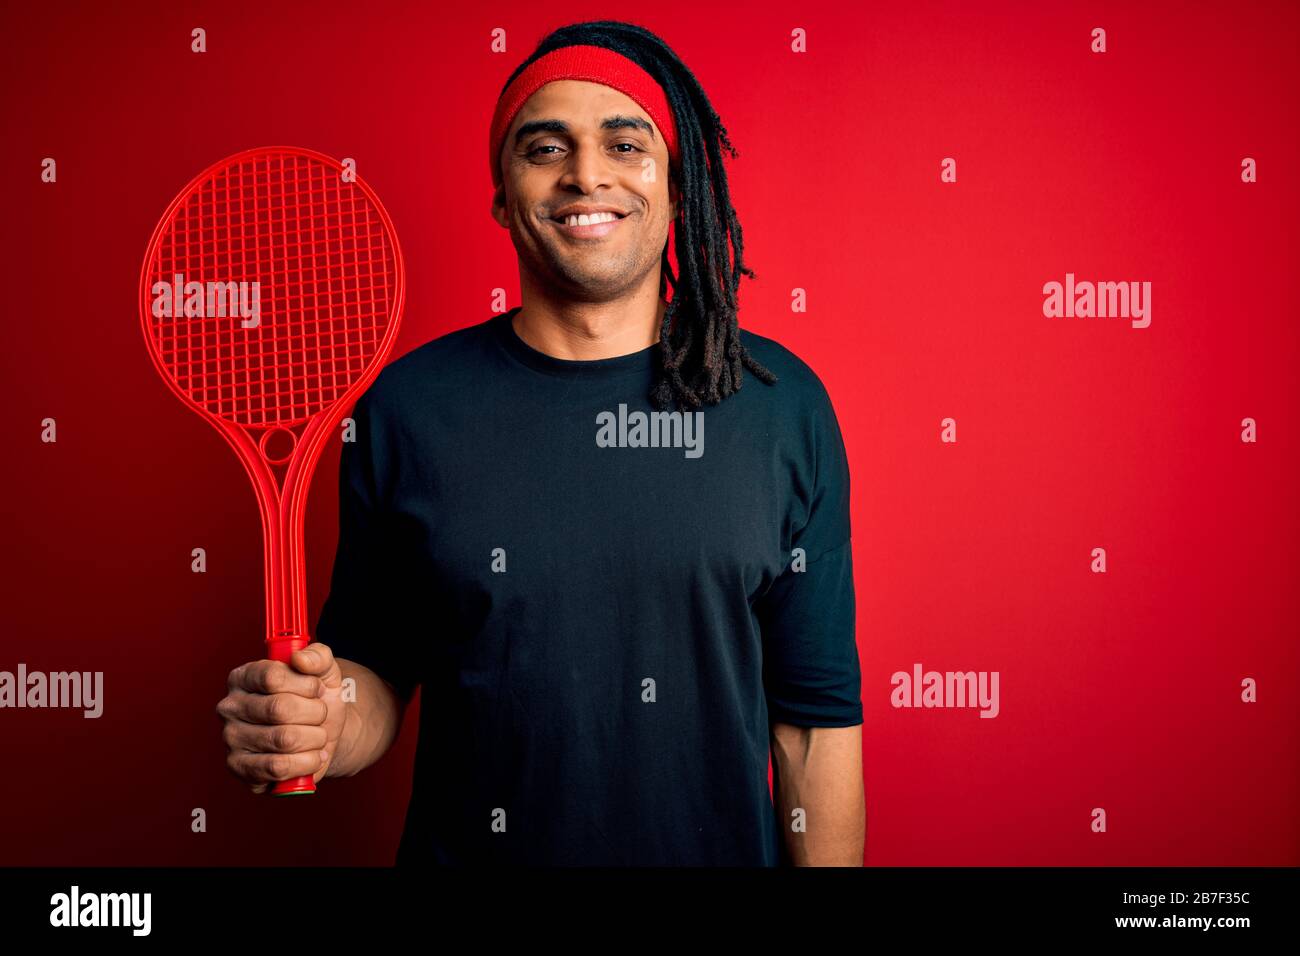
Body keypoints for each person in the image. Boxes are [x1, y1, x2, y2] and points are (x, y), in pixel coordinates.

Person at [216, 19, 864, 866]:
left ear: (677, 187)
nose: (585, 174)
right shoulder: (408, 409)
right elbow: (370, 673)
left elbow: (812, 731)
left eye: (625, 145)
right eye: (544, 148)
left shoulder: (782, 408)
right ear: (500, 194)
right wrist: (319, 721)